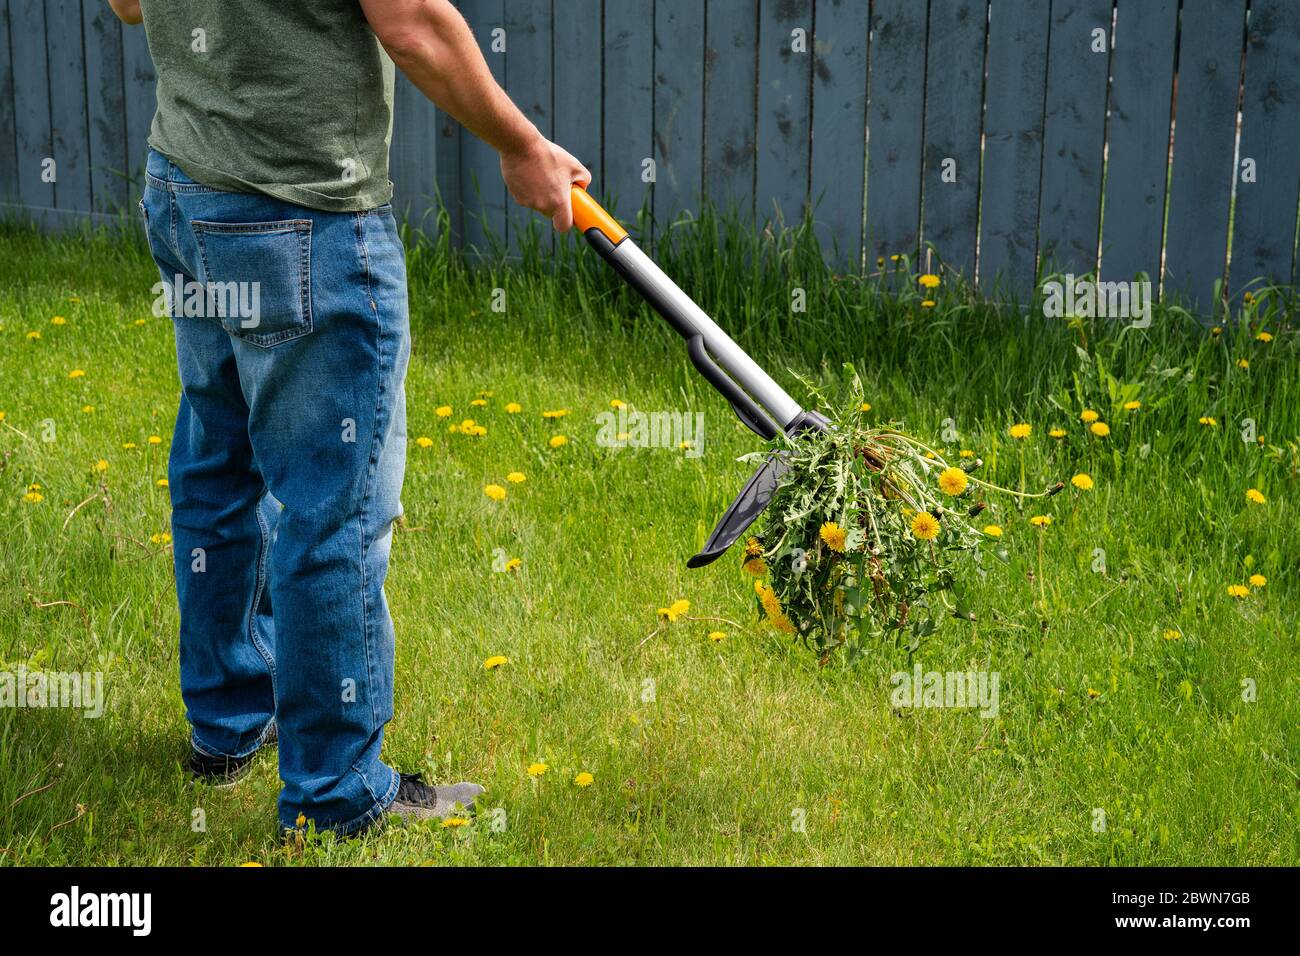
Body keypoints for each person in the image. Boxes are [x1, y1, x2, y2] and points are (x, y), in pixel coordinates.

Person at [106, 0, 590, 837]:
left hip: (186, 187)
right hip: (299, 212)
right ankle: (337, 794)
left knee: (219, 467)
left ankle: (226, 728)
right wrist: (522, 148)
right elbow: (413, 22)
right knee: (334, 509)